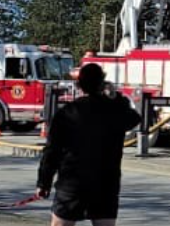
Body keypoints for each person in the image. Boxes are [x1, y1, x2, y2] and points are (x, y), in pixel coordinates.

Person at [36, 64, 141, 226]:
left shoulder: (67, 112)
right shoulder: (114, 110)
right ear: (102, 83)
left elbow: (52, 150)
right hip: (105, 183)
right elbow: (134, 118)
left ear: (79, 85)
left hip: (71, 182)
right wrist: (116, 97)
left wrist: (44, 182)